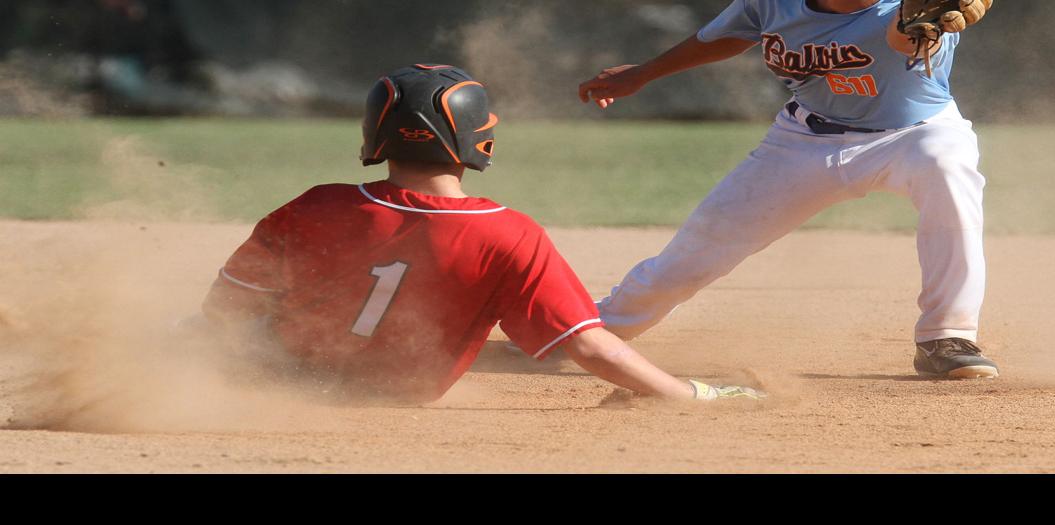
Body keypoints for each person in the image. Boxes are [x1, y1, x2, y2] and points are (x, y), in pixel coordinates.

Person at [200, 63, 762, 404]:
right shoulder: (509, 233)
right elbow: (591, 346)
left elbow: (223, 310)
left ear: (376, 136)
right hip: (398, 394)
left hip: (278, 378)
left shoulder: (316, 205)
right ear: (476, 140)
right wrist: (694, 395)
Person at [578, 0, 1000, 379]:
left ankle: (947, 336)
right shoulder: (772, 2)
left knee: (948, 171)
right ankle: (592, 329)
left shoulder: (916, 9)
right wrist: (644, 73)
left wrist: (918, 25)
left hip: (915, 134)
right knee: (702, 243)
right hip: (804, 139)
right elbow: (723, 37)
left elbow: (906, 41)